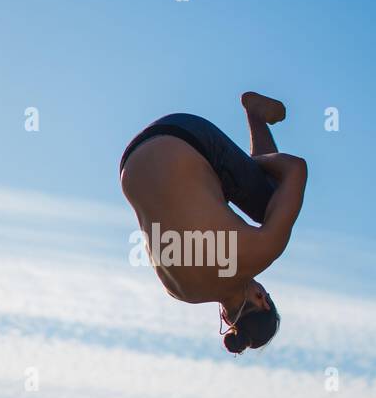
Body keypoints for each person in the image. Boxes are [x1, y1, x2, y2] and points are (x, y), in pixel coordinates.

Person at [119, 92, 308, 353]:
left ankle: (254, 112)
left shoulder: (260, 253)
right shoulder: (179, 291)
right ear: (226, 318)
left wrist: (252, 163)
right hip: (129, 164)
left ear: (262, 300)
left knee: (272, 197)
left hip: (185, 134)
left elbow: (297, 169)